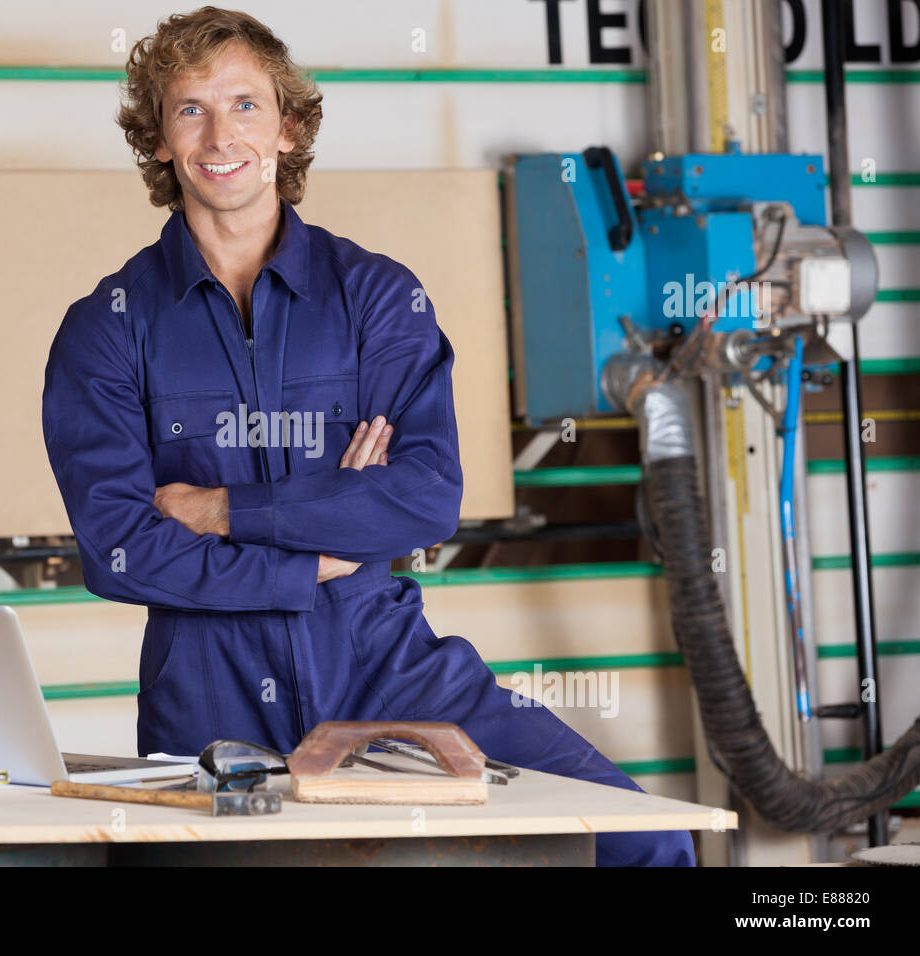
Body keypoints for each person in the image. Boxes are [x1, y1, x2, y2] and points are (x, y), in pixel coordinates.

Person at [42, 6, 695, 866]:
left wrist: (220, 508)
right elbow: (119, 549)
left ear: (290, 127)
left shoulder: (378, 299)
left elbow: (422, 498)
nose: (219, 132)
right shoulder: (108, 327)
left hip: (388, 663)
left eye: (245, 104)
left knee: (639, 838)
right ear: (158, 140)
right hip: (207, 687)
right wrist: (316, 548)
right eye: (188, 108)